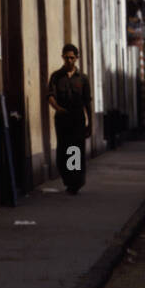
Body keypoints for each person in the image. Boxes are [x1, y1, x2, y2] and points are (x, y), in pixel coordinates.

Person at [47, 43, 92, 194]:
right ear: (63, 58)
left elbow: (87, 102)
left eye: (72, 58)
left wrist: (90, 124)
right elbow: (50, 96)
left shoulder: (83, 79)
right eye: (66, 58)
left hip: (77, 119)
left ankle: (75, 182)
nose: (69, 61)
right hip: (62, 119)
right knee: (63, 152)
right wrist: (58, 109)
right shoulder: (56, 76)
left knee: (75, 151)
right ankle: (68, 179)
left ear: (77, 58)